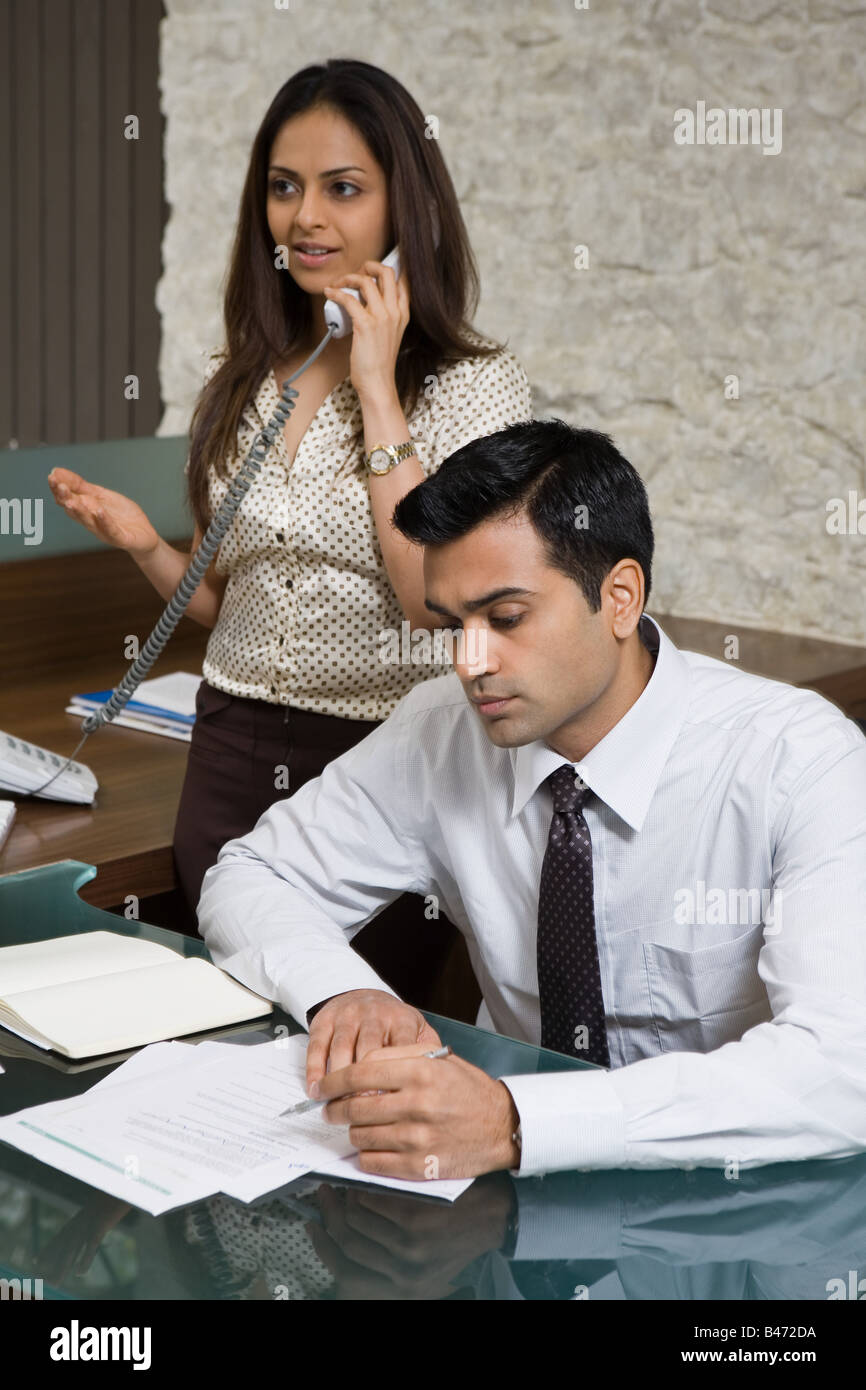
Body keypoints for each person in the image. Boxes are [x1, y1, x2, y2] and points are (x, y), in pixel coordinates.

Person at [197, 418, 866, 1180]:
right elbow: (250, 875)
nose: (469, 663)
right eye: (452, 625)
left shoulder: (798, 760)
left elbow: (845, 1066)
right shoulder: (438, 734)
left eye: (505, 618)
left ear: (619, 597)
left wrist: (519, 1124)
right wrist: (343, 990)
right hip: (500, 1214)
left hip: (737, 1198)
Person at [47, 59, 531, 1005]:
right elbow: (222, 604)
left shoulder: (477, 386)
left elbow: (427, 598)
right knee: (224, 1020)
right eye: (284, 187)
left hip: (388, 760)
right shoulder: (248, 380)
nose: (305, 217)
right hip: (229, 748)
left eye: (343, 189)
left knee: (368, 1041)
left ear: (405, 210)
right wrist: (150, 547)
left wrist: (379, 383)